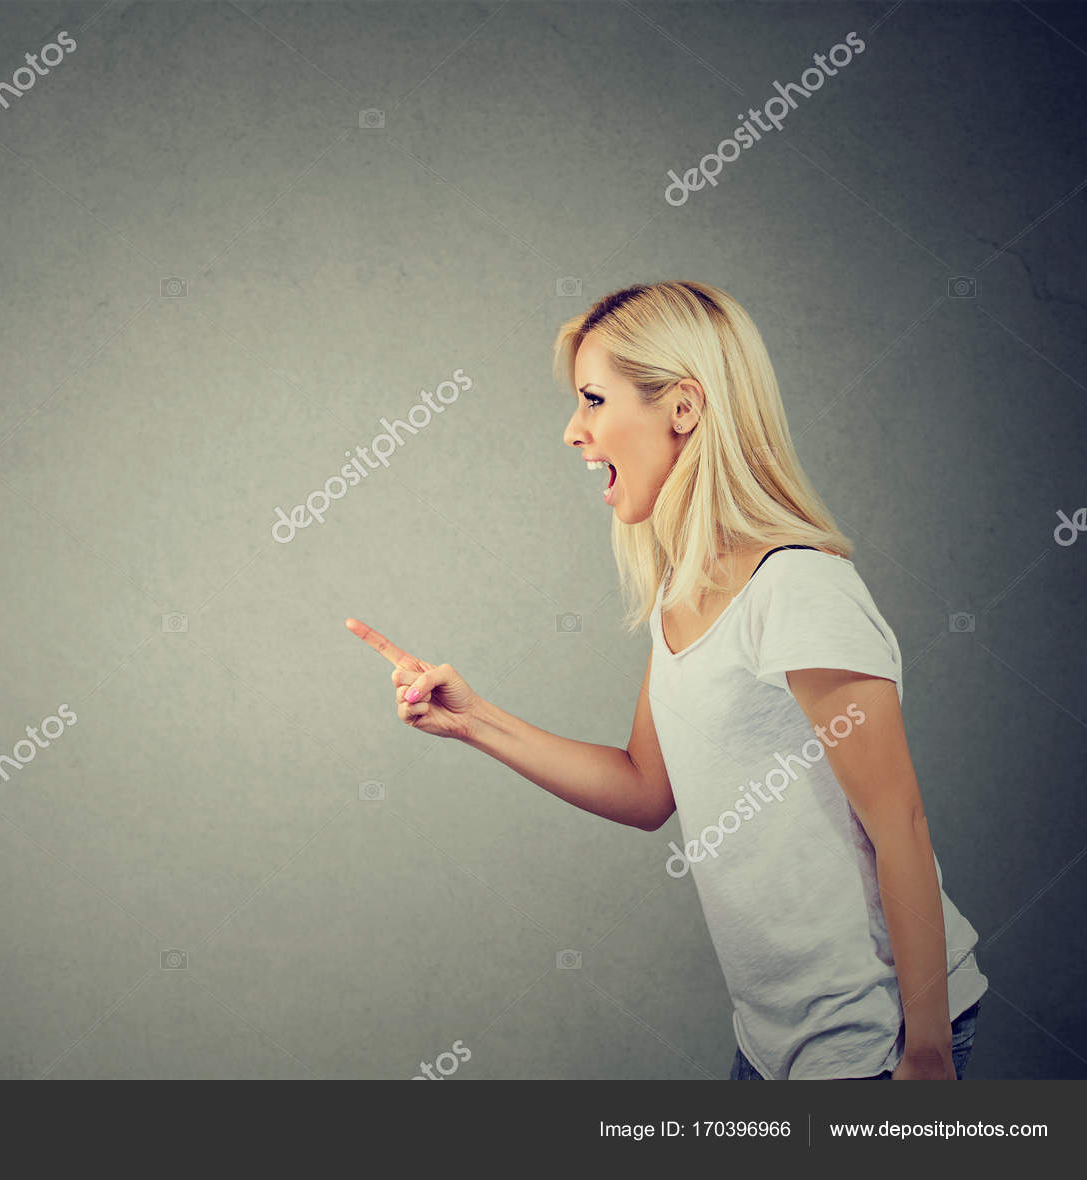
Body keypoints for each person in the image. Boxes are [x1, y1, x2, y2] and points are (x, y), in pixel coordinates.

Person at [347, 280, 986, 1080]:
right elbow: (646, 790)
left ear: (683, 407)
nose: (573, 431)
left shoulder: (797, 589)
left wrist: (926, 1053)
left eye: (593, 399)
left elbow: (901, 823)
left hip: (875, 1040)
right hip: (770, 1042)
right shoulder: (681, 593)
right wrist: (474, 720)